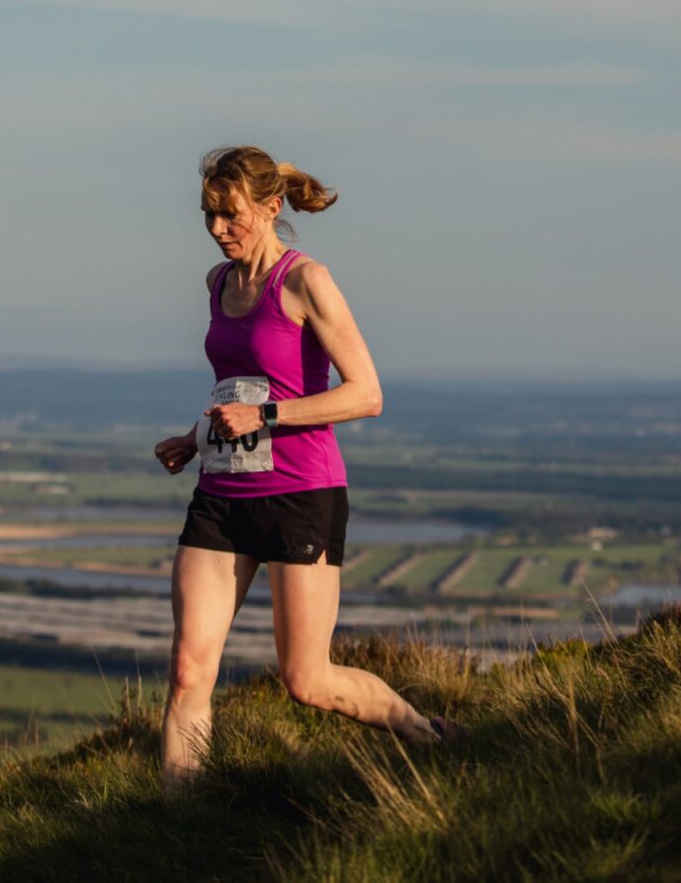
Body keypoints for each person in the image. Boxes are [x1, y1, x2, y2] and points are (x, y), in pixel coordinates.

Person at [152, 145, 457, 791]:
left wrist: (267, 417)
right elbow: (240, 386)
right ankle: (176, 819)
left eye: (230, 215)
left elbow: (366, 393)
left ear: (271, 207)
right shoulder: (217, 282)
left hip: (300, 493)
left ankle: (424, 733)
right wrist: (192, 435)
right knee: (188, 669)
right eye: (208, 214)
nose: (216, 229)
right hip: (222, 491)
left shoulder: (305, 280)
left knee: (307, 680)